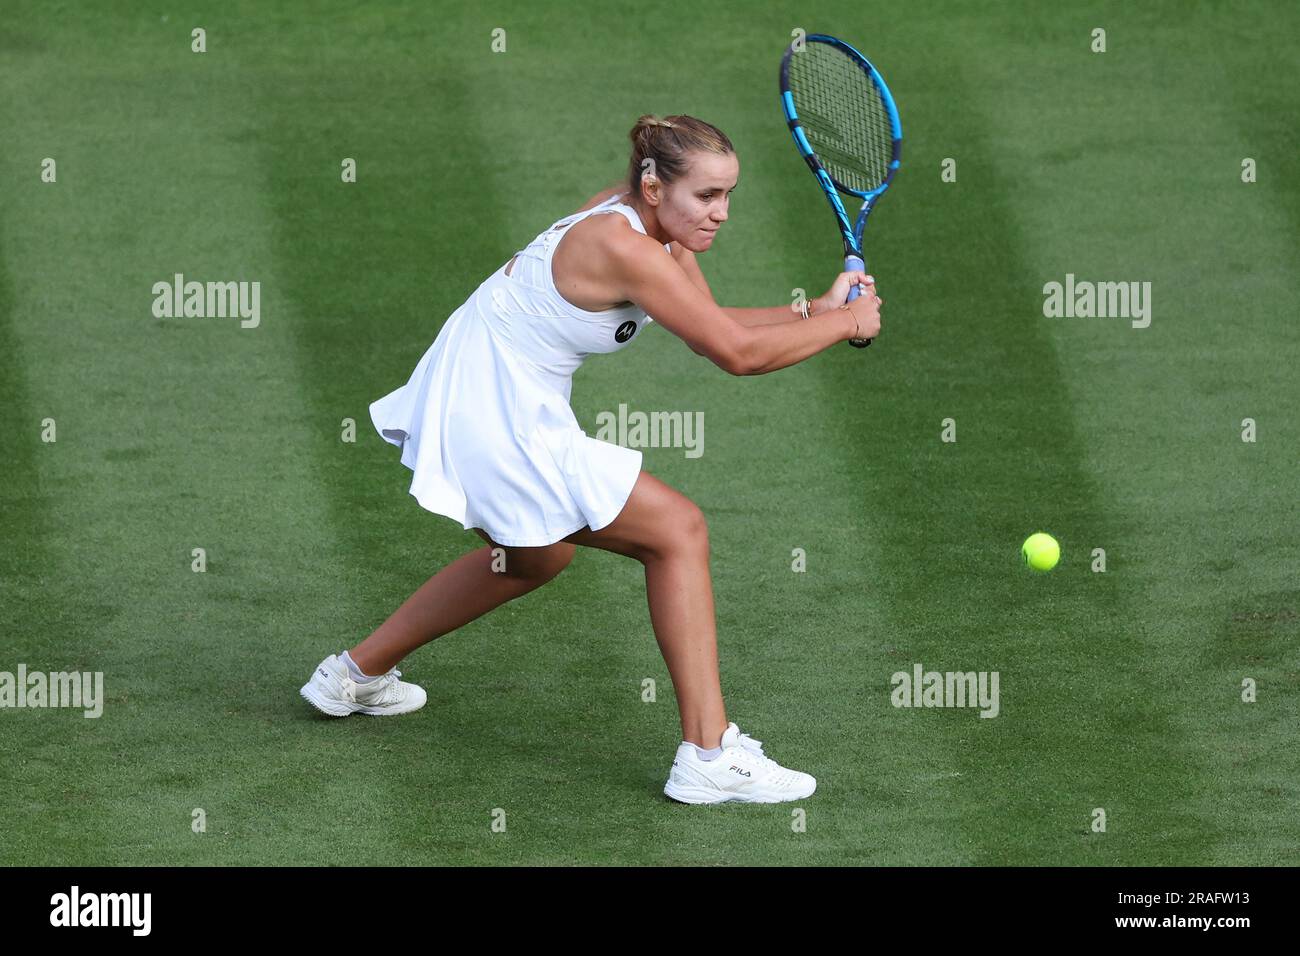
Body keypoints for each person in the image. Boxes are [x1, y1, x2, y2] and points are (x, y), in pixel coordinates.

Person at [300, 114, 882, 805]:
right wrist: (845, 323)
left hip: (473, 389)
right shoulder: (625, 249)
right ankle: (708, 752)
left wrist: (813, 310)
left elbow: (708, 321)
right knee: (678, 531)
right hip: (494, 413)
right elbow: (736, 354)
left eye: (728, 196)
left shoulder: (641, 222)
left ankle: (353, 676)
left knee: (534, 556)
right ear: (653, 185)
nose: (720, 213)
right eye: (706, 196)